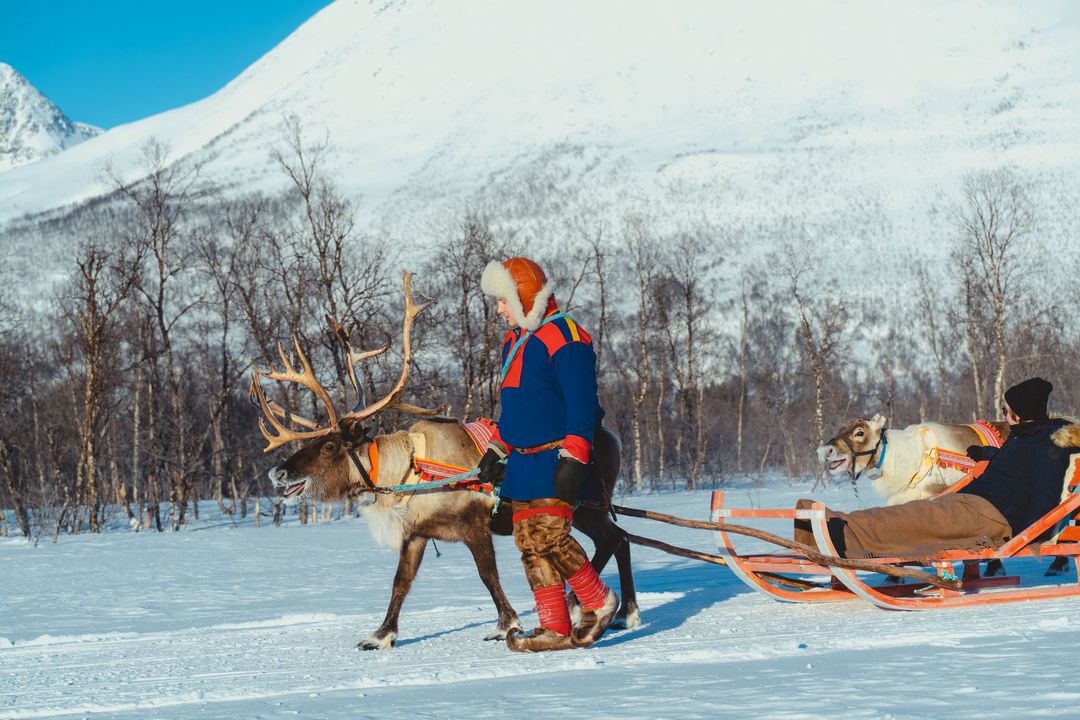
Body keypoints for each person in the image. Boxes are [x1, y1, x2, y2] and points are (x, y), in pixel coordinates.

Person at [476, 256, 618, 652]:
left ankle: (598, 600)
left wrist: (575, 456)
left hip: (557, 458)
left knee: (549, 538)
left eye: (503, 300)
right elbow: (518, 410)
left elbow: (582, 403)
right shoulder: (515, 341)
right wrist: (496, 448)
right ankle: (554, 627)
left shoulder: (565, 334)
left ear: (523, 296)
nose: (499, 309)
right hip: (522, 461)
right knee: (529, 544)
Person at [796, 378, 1076, 558]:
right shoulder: (1024, 438)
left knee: (916, 523)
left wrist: (1024, 539)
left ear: (1020, 413)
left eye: (1006, 411)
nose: (1003, 416)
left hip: (993, 517)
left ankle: (838, 538)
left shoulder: (1048, 447)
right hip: (971, 502)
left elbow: (1046, 496)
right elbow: (1017, 464)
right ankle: (831, 529)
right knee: (910, 513)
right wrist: (988, 454)